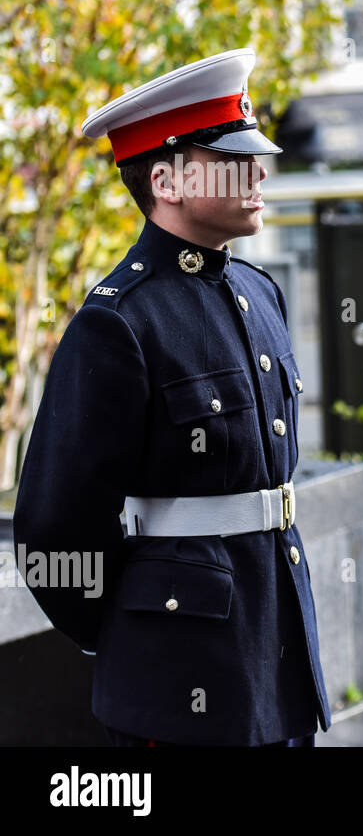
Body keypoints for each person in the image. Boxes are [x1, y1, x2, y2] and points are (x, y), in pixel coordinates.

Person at [13, 49, 329, 746]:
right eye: (235, 159)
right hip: (178, 679)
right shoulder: (119, 320)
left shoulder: (258, 294)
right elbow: (53, 527)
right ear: (167, 178)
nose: (260, 173)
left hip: (275, 659)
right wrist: (134, 631)